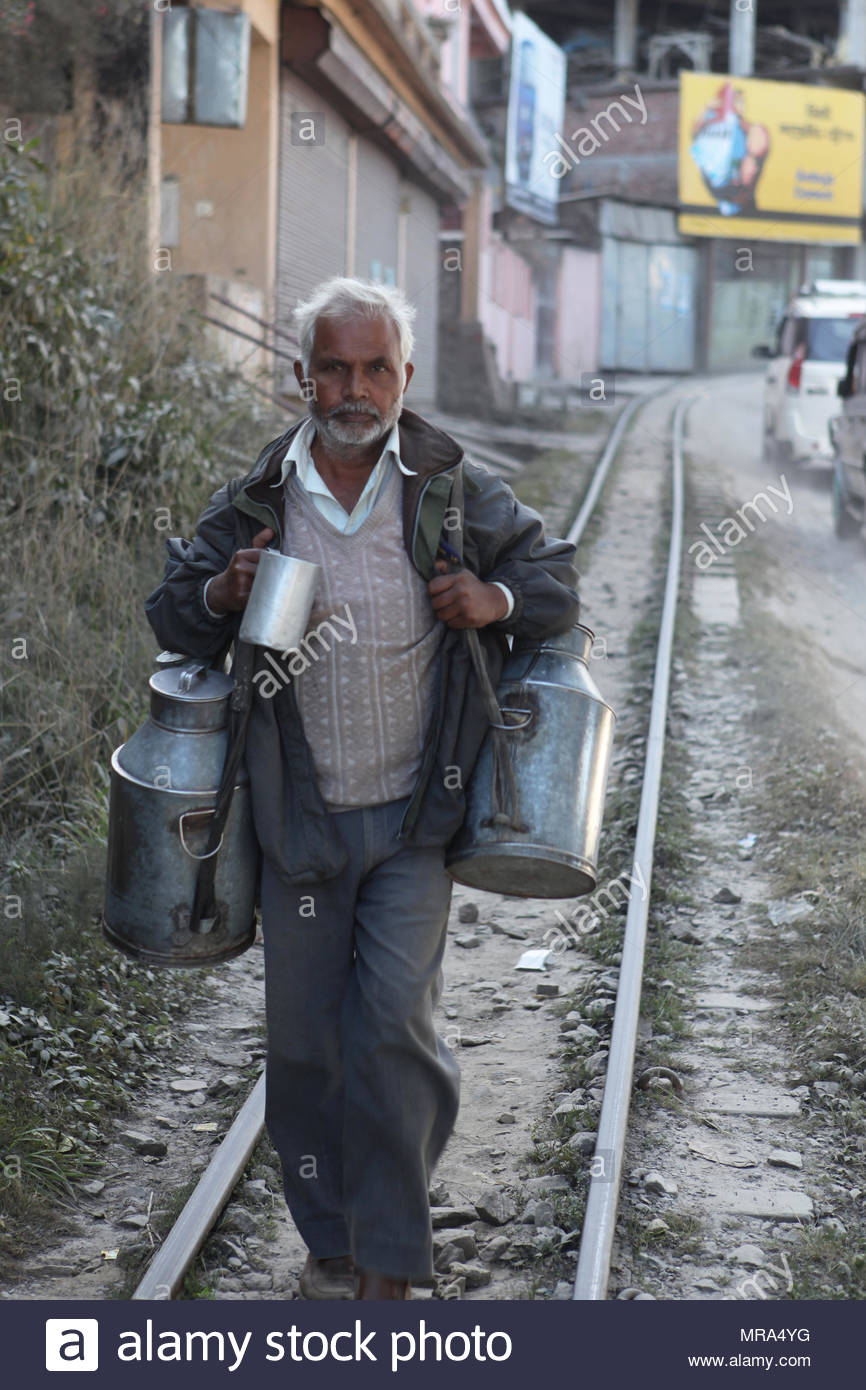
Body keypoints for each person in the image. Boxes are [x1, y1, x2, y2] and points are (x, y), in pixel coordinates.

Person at [145, 276, 579, 1300]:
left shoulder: (446, 487)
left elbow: (555, 578)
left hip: (410, 821)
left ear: (404, 377)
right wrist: (222, 589)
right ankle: (330, 1234)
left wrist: (493, 596)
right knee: (303, 1049)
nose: (354, 386)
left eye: (374, 367)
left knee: (391, 1029)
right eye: (333, 365)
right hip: (297, 824)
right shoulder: (259, 498)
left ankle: (390, 1256)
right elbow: (171, 614)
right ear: (301, 376)